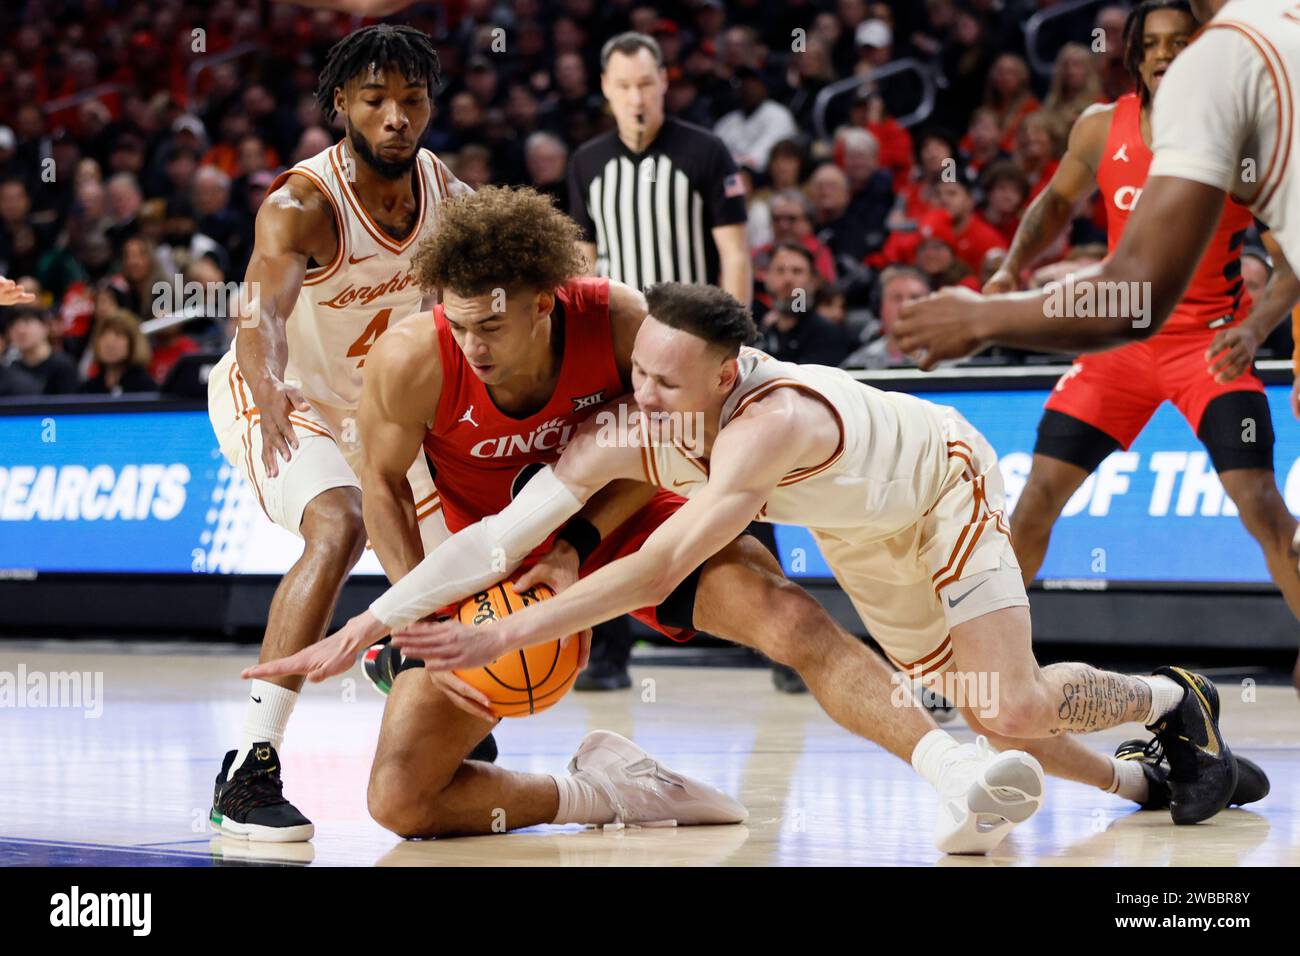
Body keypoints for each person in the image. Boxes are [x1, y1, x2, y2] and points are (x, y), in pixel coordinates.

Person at [283, 281, 1261, 841]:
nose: (643, 394)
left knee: (1002, 706)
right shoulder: (649, 409)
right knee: (993, 704)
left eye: (667, 380)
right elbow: (496, 537)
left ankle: (1169, 701)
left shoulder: (769, 420)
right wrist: (374, 616)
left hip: (944, 488)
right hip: (864, 535)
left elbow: (659, 564)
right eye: (637, 371)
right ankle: (1150, 771)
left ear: (726, 373)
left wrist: (505, 629)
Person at [247, 187, 1048, 856]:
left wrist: (579, 546)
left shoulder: (620, 321)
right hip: (488, 560)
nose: (473, 346)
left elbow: (662, 451)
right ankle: (603, 790)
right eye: (459, 325)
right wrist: (400, 614)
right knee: (399, 800)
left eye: (490, 326)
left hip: (620, 519)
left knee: (787, 617)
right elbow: (386, 485)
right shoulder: (413, 359)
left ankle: (952, 772)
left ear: (544, 303)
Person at [896, 0, 1300, 693]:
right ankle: (969, 668)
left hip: (1204, 347)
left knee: (1262, 507)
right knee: (1034, 505)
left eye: (1183, 42)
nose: (1168, 55)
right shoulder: (1097, 126)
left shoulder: (1239, 138)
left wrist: (1255, 327)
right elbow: (1054, 202)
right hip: (1118, 349)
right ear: (1137, 56)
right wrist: (1008, 266)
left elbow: (1289, 255)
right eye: (1155, 44)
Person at [203, 24, 476, 843]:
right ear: (341, 108)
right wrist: (263, 377)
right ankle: (248, 767)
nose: (397, 116)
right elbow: (259, 311)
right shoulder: (302, 204)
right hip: (283, 395)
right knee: (341, 525)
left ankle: (410, 664)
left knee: (460, 552)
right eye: (375, 100)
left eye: (412, 100)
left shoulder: (447, 195)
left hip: (379, 411)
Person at [567, 30, 753, 689]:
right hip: (621, 356)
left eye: (646, 83)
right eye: (623, 86)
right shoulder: (586, 161)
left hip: (695, 353)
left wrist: (732, 344)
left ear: (665, 82)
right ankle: (610, 655)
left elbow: (734, 253)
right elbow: (584, 269)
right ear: (605, 90)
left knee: (747, 478)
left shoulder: (705, 152)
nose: (636, 97)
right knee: (610, 491)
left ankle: (772, 635)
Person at [77, 311, 157, 395]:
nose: (110, 343)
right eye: (104, 335)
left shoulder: (145, 388)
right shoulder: (88, 389)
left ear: (133, 343)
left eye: (118, 335)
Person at [5, 306, 79, 394]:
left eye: (27, 322)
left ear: (46, 326)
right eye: (13, 325)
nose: (20, 330)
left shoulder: (64, 366)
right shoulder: (12, 368)